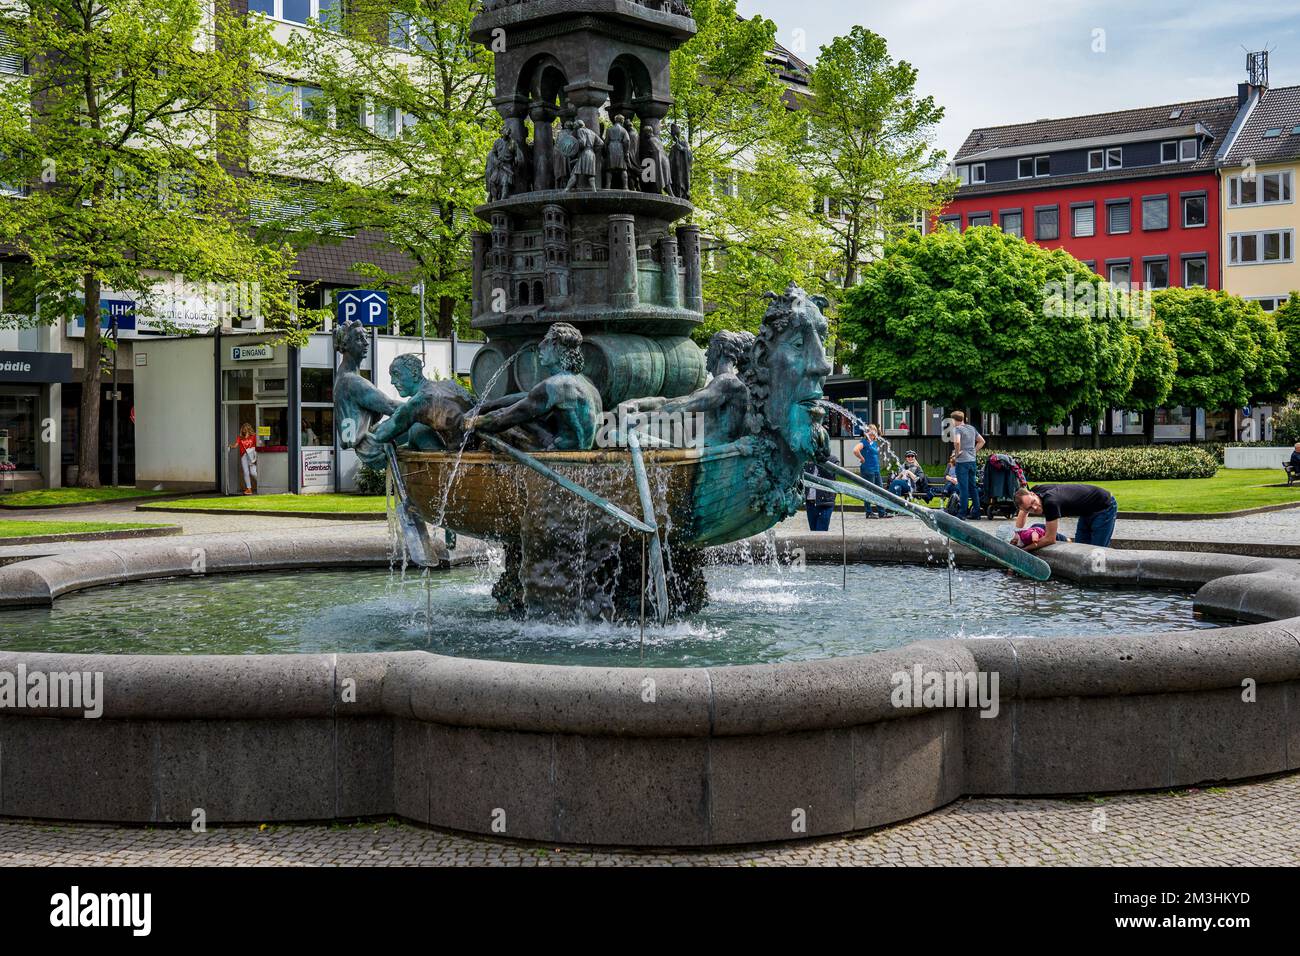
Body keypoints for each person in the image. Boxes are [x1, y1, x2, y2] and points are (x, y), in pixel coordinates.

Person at [1013, 483, 1119, 549]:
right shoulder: (1036, 491)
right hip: (1086, 511)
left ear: (1033, 494)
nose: (1035, 508)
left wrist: (1023, 550)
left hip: (1104, 506)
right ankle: (1067, 541)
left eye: (1033, 503)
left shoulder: (1050, 502)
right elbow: (1019, 526)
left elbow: (1050, 539)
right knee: (1081, 550)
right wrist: (1024, 510)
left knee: (1097, 552)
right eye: (1029, 508)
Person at [950, 410, 985, 520]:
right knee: (973, 487)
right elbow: (982, 441)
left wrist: (957, 453)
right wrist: (974, 451)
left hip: (962, 462)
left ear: (955, 420)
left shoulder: (957, 429)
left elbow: (957, 442)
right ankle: (976, 513)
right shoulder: (971, 428)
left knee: (963, 488)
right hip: (972, 461)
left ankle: (962, 513)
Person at [853, 424, 887, 518]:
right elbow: (855, 450)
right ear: (867, 432)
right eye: (871, 431)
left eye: (874, 431)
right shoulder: (864, 442)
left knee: (880, 491)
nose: (873, 433)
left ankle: (882, 512)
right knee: (869, 491)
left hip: (876, 470)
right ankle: (868, 512)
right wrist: (862, 458)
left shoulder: (874, 442)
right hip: (868, 470)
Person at [230, 423, 257, 495]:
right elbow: (236, 445)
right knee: (246, 472)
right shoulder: (240, 437)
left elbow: (258, 444)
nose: (244, 431)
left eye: (246, 430)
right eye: (243, 430)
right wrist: (230, 446)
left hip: (251, 455)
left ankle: (262, 484)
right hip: (243, 456)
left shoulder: (254, 436)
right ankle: (249, 489)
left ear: (249, 429)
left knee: (253, 472)